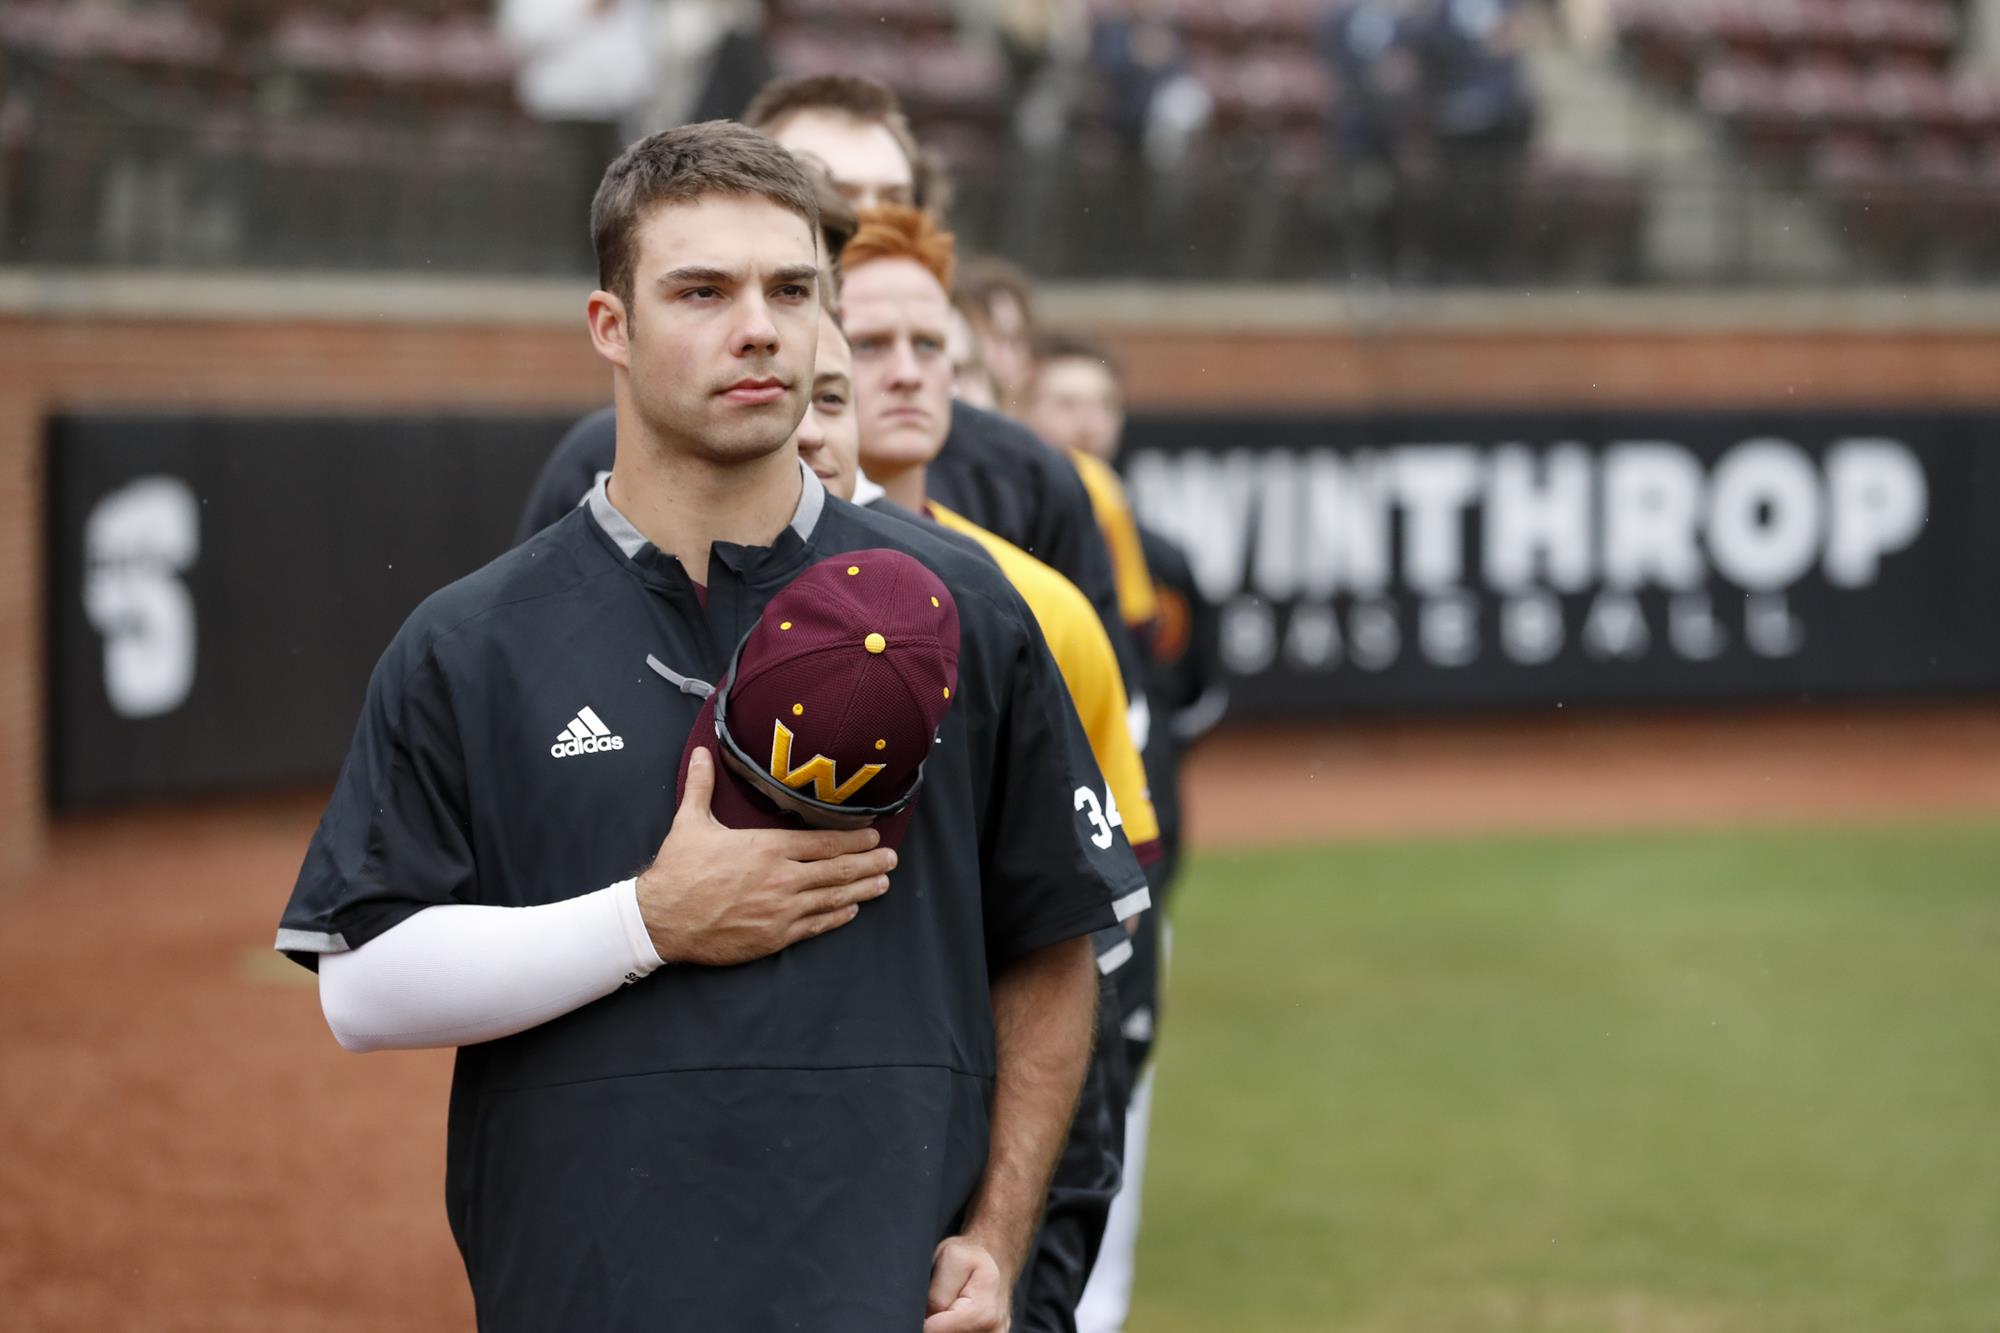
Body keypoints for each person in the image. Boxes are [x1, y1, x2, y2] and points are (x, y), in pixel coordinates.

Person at [276, 121, 1150, 1332]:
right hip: (591, 1291)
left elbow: (1054, 947)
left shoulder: (968, 608)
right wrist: (647, 921)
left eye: (791, 289)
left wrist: (997, 1237)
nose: (758, 326)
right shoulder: (471, 640)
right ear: (610, 329)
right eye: (702, 290)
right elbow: (361, 987)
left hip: (887, 1298)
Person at [513, 74, 1136, 695]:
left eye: (893, 198)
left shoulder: (1019, 510)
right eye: (825, 189)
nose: (861, 226)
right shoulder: (596, 465)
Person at [838, 204, 1163, 1331]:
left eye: (934, 348)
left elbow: (1108, 881)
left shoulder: (1040, 605)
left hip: (992, 1105)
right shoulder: (728, 592)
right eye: (870, 343)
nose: (907, 373)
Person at [1023, 330, 1228, 1333]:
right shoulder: (1004, 559)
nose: (1081, 422)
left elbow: (1185, 703)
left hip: (1143, 868)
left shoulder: (1165, 558)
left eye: (1096, 403)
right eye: (1058, 401)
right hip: (1039, 889)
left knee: (1112, 1113)